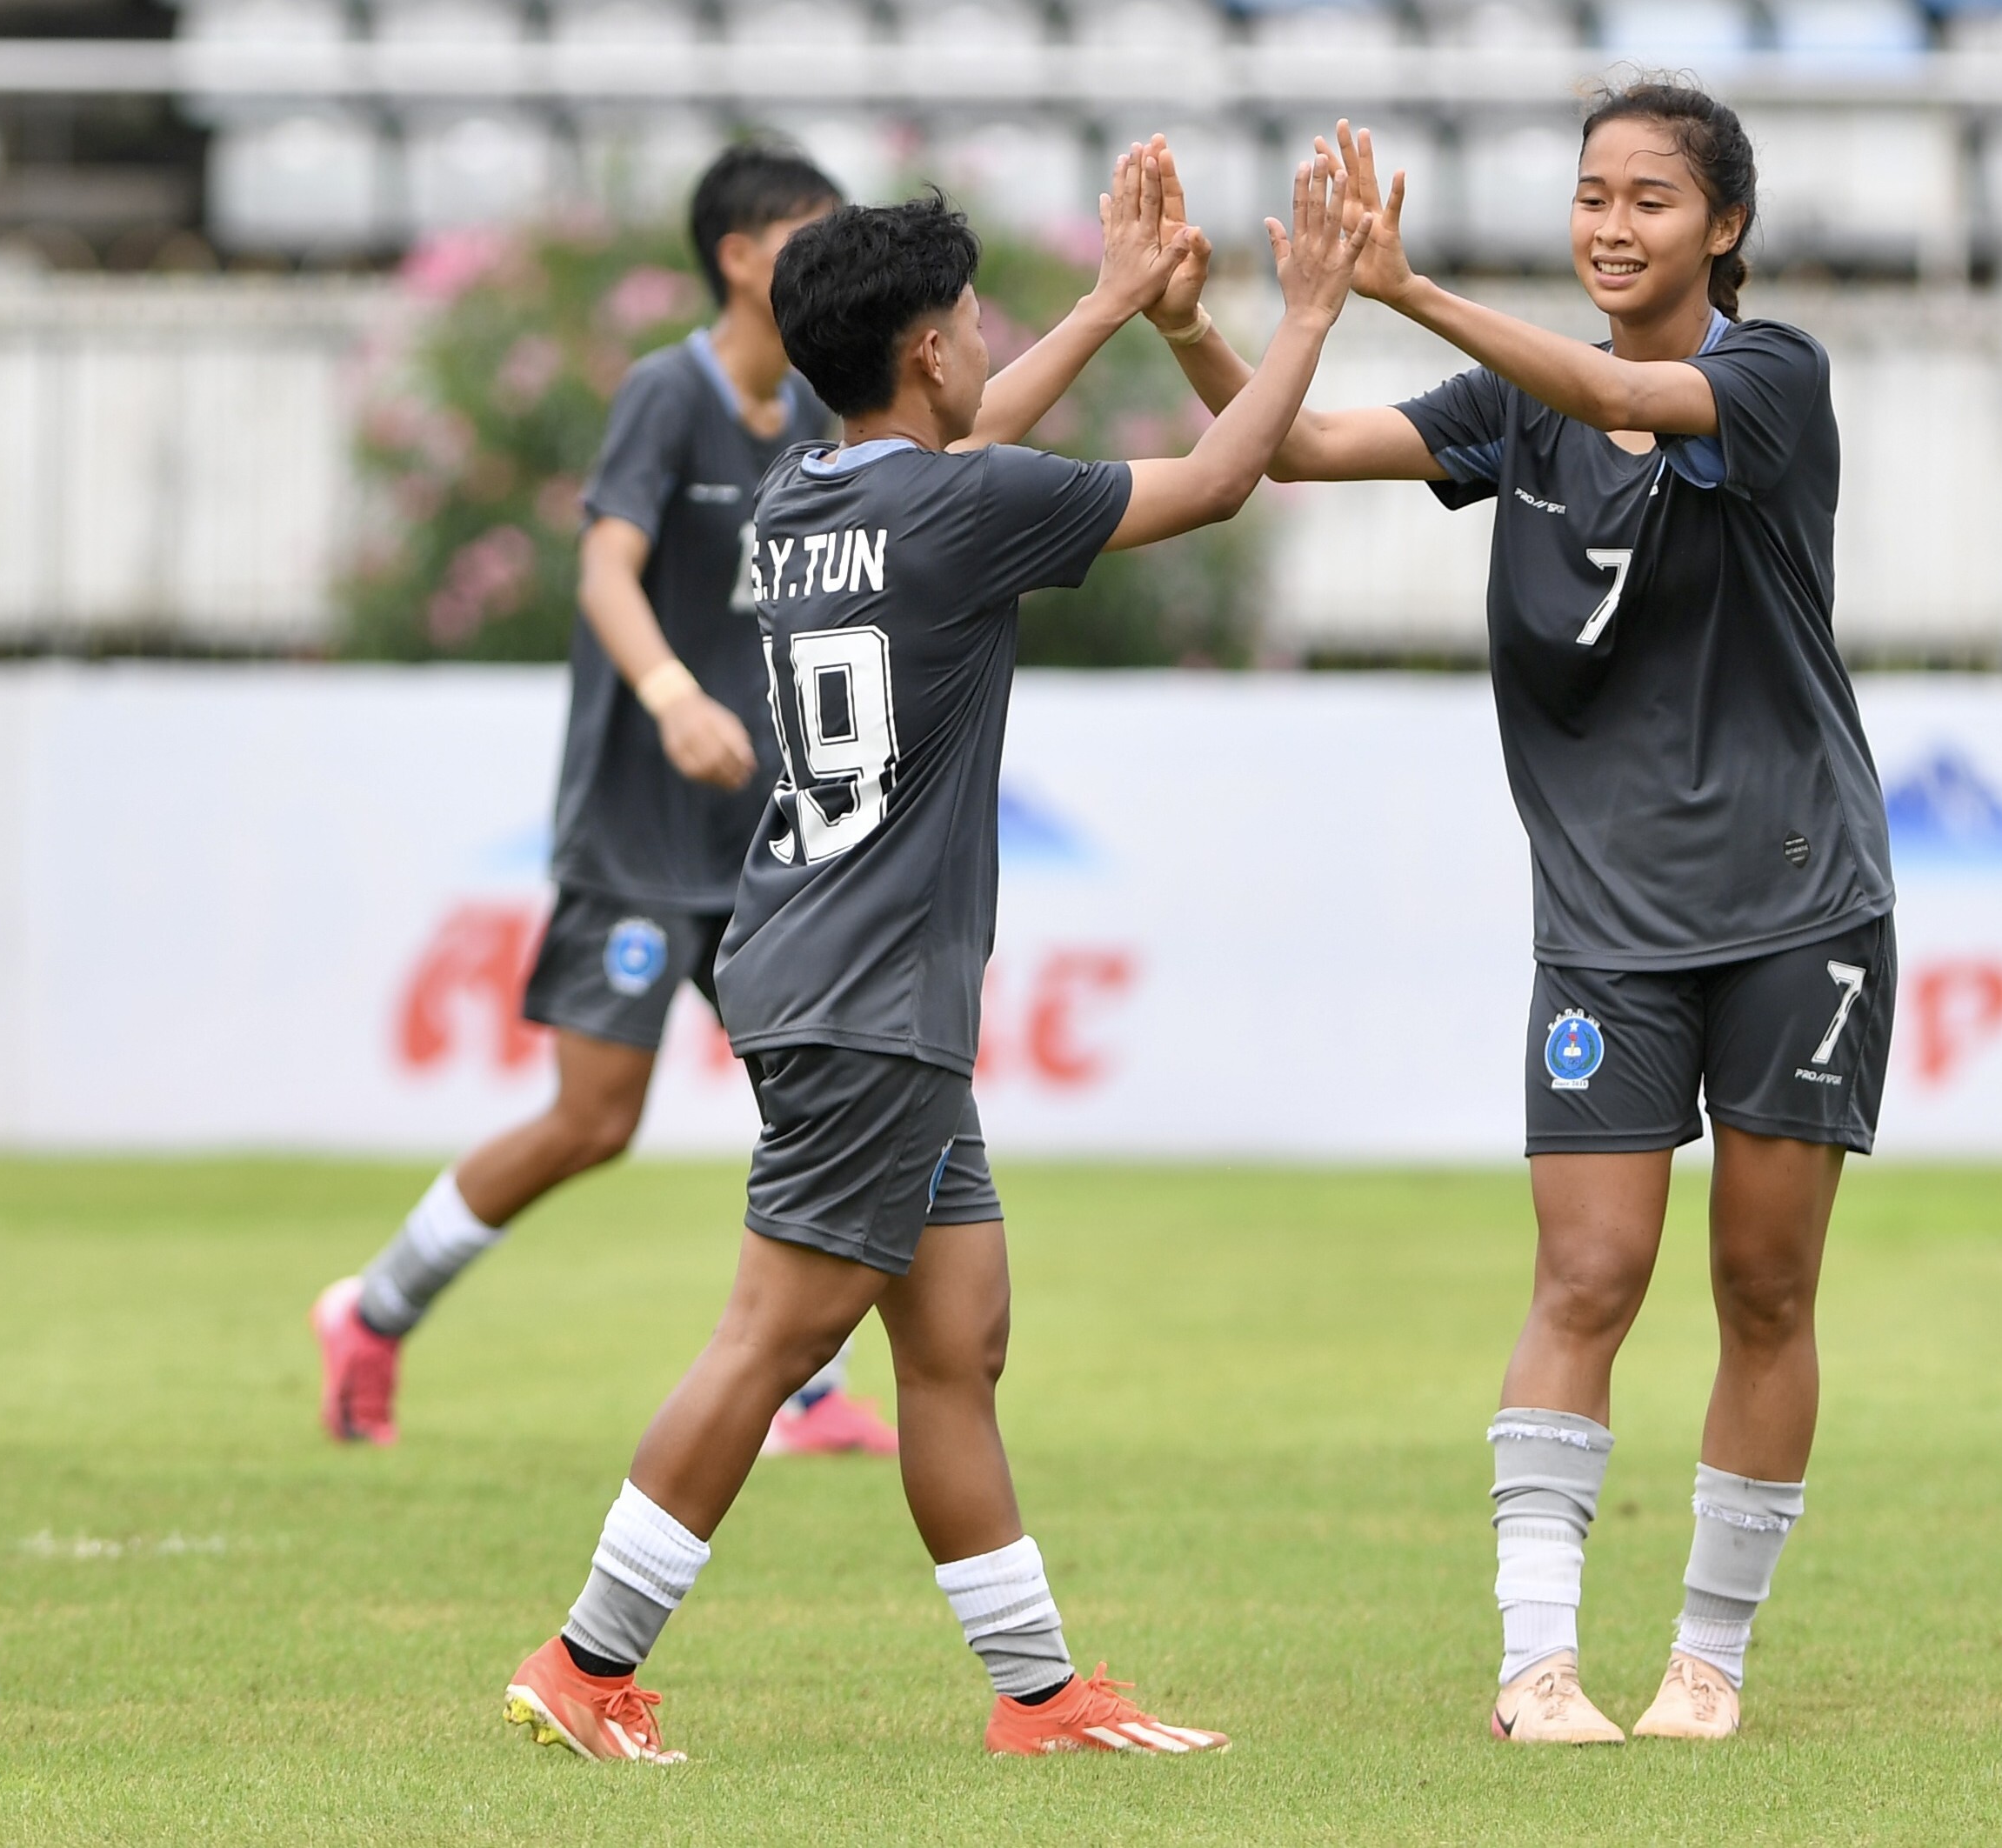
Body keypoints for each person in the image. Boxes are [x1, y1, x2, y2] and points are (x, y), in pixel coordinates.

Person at [497, 150, 1370, 1765]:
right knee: (775, 1334)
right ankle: (585, 1659)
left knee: (954, 1335)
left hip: (822, 967)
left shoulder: (802, 497)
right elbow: (1220, 478)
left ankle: (1036, 1694)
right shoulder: (958, 506)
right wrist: (1309, 311)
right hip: (870, 995)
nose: (982, 339)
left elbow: (966, 447)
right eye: (972, 319)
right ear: (927, 353)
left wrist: (1111, 302)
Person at [1144, 92, 1895, 1745]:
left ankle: (1707, 1660)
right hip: (1607, 921)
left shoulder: (1772, 382)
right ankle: (1536, 1666)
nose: (1612, 225)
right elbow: (1296, 450)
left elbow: (1625, 389)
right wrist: (1209, 329)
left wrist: (1401, 292)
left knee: (1764, 1287)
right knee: (1587, 1273)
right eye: (1589, 196)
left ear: (1725, 231)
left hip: (1795, 903)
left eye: (1649, 199)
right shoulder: (1515, 406)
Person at [312, 143, 904, 1456]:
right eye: (809, 233)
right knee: (594, 1118)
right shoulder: (665, 396)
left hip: (763, 844)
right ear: (742, 256)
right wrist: (671, 692)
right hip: (639, 839)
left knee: (817, 1102)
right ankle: (372, 1308)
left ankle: (806, 1395)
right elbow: (604, 570)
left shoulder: (817, 415)